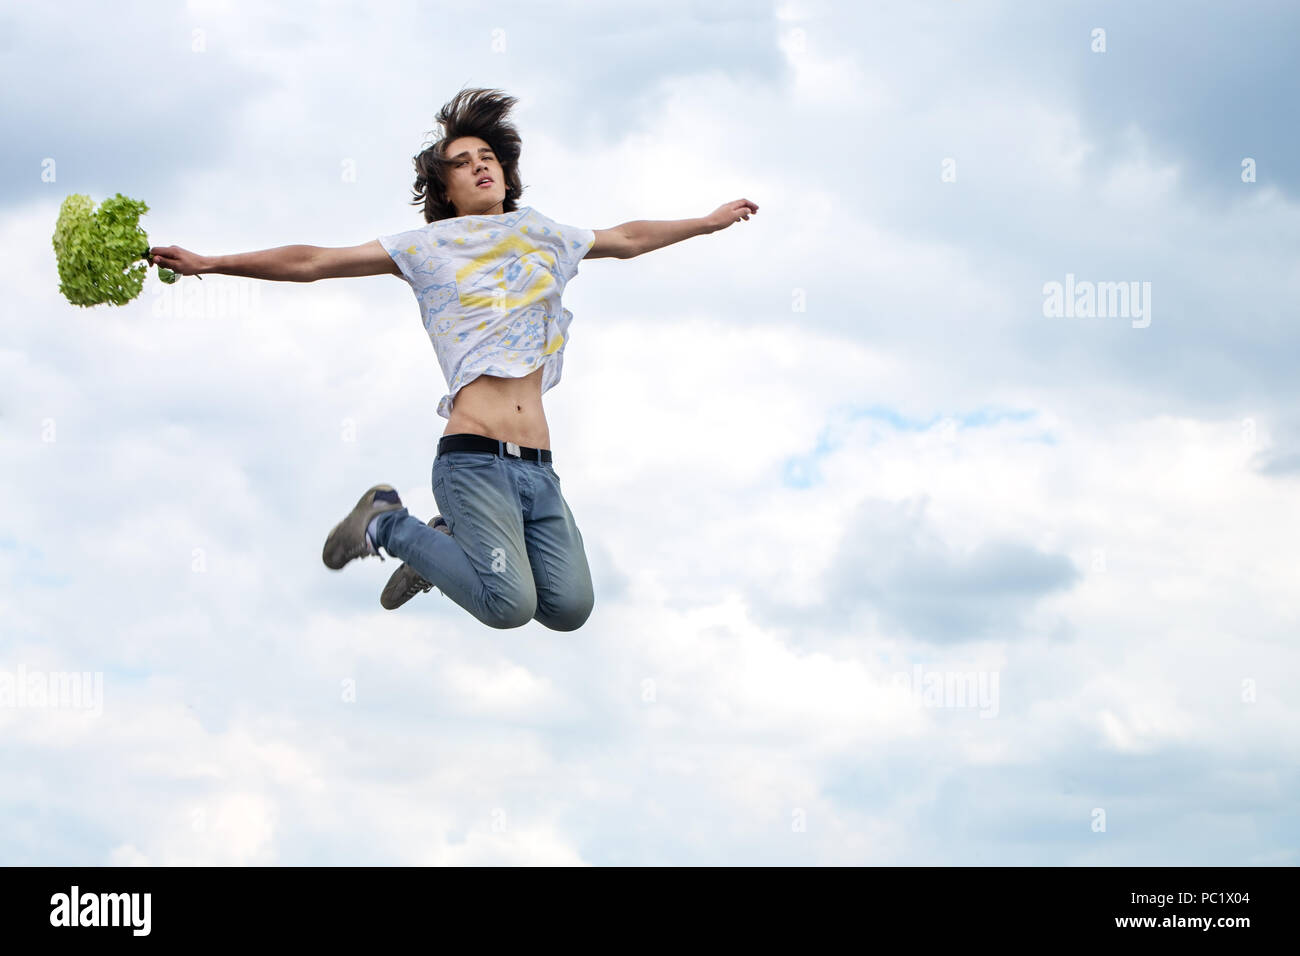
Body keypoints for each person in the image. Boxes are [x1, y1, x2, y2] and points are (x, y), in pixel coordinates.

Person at [149, 87, 758, 630]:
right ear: (446, 190)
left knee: (569, 609)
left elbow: (627, 239)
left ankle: (444, 542)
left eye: (487, 158)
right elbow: (314, 261)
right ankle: (388, 522)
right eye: (463, 165)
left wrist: (706, 223)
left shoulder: (547, 234)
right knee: (508, 606)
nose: (480, 167)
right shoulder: (426, 246)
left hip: (539, 467)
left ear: (506, 174)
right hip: (473, 460)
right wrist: (211, 263)